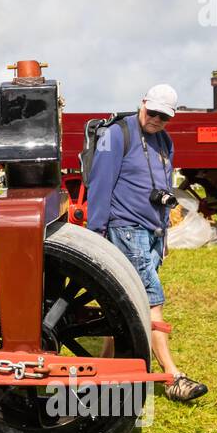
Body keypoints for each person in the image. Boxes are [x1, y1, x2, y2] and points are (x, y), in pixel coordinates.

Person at [86, 83, 207, 402]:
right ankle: (173, 377)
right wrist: (96, 230)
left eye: (163, 117)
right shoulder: (116, 135)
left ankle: (105, 367)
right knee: (152, 299)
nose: (155, 120)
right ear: (142, 103)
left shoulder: (165, 140)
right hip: (126, 228)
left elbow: (165, 189)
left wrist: (164, 233)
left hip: (153, 231)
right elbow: (100, 183)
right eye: (151, 112)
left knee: (124, 299)